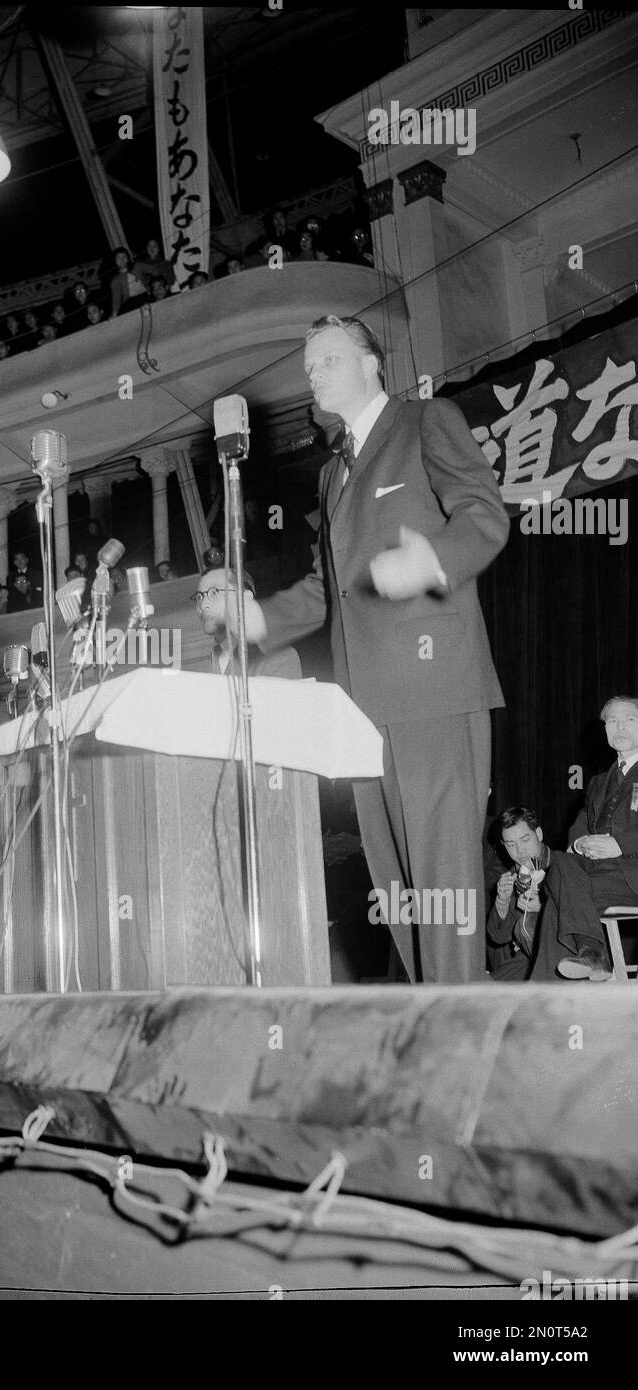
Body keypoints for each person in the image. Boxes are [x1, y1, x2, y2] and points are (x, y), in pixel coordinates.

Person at [239, 314, 509, 983]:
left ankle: (457, 1038)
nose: (312, 374)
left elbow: (483, 515)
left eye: (326, 359)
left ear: (370, 363)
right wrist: (258, 619)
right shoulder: (332, 476)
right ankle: (430, 1023)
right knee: (396, 886)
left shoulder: (424, 421)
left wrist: (432, 561)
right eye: (307, 366)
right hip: (363, 707)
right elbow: (328, 587)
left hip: (432, 686)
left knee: (441, 879)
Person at [530, 696, 638, 982]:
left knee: (558, 900)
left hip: (632, 875)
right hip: (596, 874)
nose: (620, 727)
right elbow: (580, 823)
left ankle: (576, 967)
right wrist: (580, 844)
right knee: (563, 863)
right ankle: (591, 955)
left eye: (629, 719)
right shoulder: (598, 782)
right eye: (612, 721)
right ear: (605, 730)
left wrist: (620, 844)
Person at [192, 568, 302, 678]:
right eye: (199, 597)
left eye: (214, 593)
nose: (202, 605)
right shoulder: (200, 673)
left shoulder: (278, 657)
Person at [486, 806, 555, 981]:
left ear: (538, 834)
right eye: (511, 844)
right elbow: (498, 937)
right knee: (485, 990)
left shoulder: (561, 864)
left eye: (525, 840)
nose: (520, 850)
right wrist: (502, 901)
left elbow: (584, 916)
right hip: (528, 960)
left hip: (562, 951)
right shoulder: (512, 876)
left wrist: (542, 910)